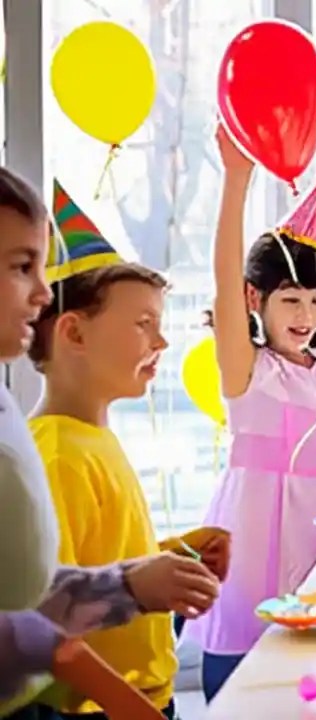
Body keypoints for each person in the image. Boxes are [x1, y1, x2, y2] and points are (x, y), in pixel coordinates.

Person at [184, 129, 316, 702]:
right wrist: (236, 181)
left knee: (312, 663)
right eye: (290, 300)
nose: (306, 315)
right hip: (247, 529)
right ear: (256, 300)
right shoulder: (244, 368)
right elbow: (224, 276)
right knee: (239, 662)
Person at [25, 180, 223, 718]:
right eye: (143, 324)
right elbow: (41, 615)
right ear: (74, 334)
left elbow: (96, 563)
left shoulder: (91, 438)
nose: (160, 343)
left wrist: (176, 556)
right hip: (105, 709)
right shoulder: (57, 453)